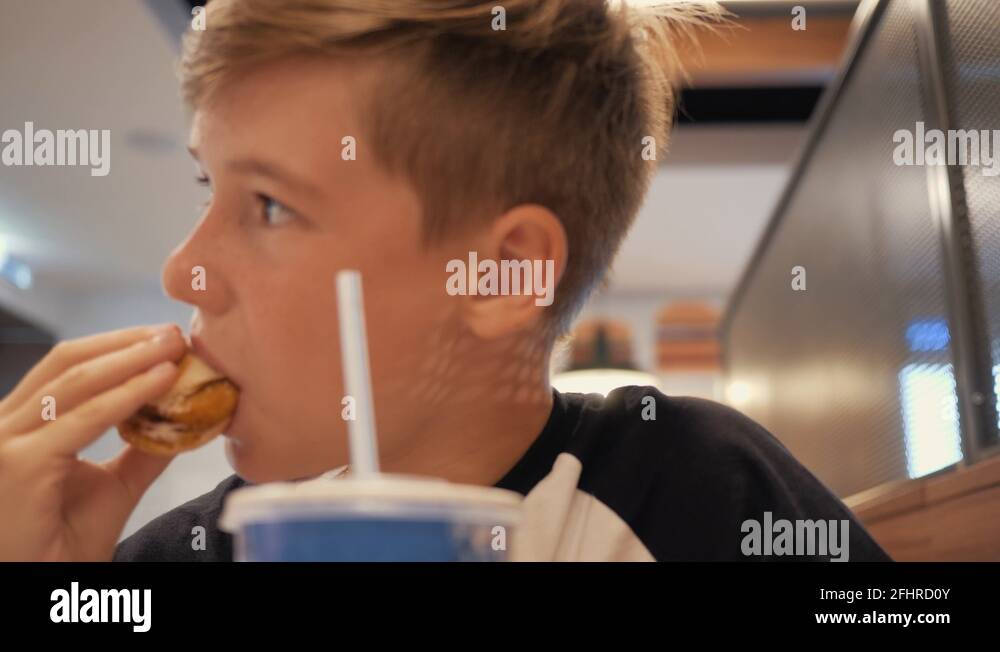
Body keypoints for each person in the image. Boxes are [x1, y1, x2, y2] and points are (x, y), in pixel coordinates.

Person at [0, 0, 890, 562]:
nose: (182, 266)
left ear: (503, 272)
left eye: (270, 205)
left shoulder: (700, 492)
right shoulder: (178, 559)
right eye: (209, 184)